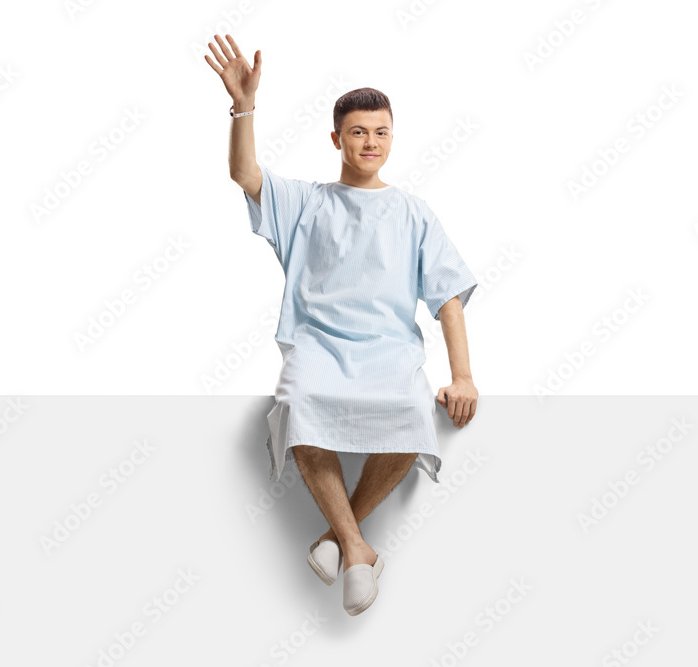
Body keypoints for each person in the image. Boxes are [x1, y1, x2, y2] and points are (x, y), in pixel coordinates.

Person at [205, 34, 479, 616]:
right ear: (336, 138)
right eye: (358, 132)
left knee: (411, 413)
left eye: (380, 132)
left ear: (392, 138)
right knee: (300, 407)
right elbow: (244, 172)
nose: (370, 142)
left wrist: (463, 376)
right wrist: (243, 107)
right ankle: (359, 548)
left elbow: (448, 296)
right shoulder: (306, 202)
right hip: (318, 347)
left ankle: (338, 539)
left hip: (389, 351)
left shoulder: (412, 212)